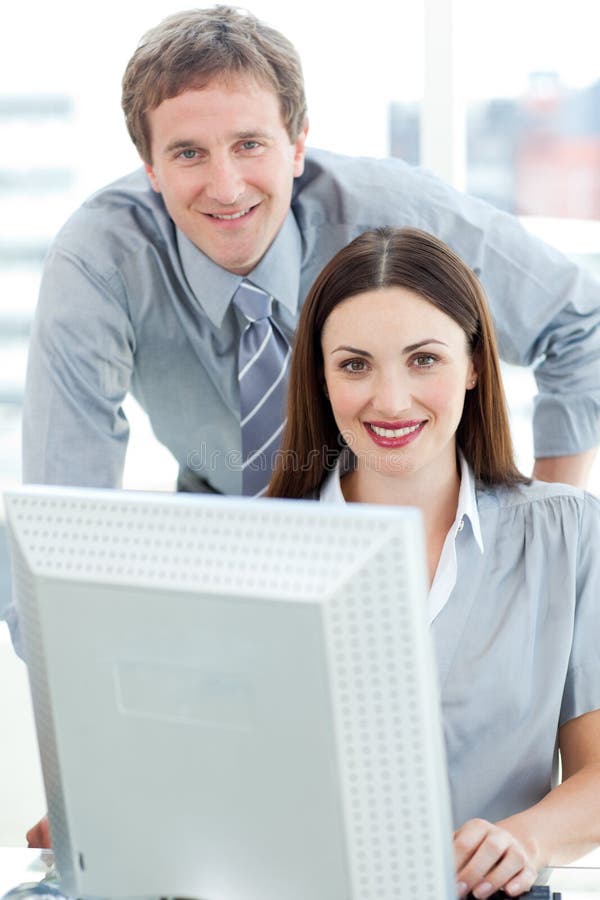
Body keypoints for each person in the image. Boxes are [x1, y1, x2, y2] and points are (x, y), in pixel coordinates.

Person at [21, 5, 600, 502]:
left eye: (249, 144)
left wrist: (544, 544)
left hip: (420, 541)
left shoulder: (394, 216)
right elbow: (63, 512)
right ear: (150, 167)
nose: (225, 187)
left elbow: (582, 325)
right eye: (188, 154)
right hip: (229, 548)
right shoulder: (100, 262)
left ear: (297, 146)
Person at [267, 226, 600, 899]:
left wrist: (524, 840)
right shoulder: (255, 548)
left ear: (475, 364)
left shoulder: (568, 534)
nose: (391, 401)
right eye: (355, 365)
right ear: (321, 378)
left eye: (424, 360)